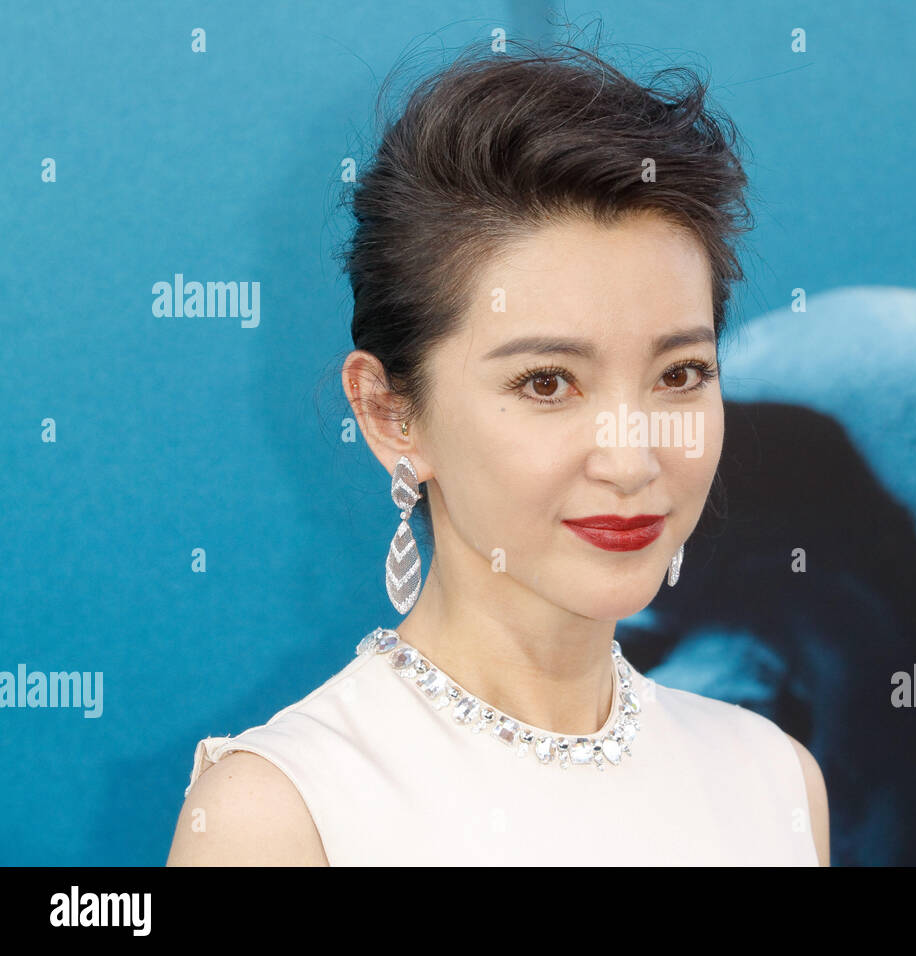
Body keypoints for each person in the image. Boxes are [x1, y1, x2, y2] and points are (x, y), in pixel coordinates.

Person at [166, 37, 829, 866]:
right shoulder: (281, 816)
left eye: (681, 373)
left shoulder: (774, 781)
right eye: (548, 383)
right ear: (389, 414)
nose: (632, 461)